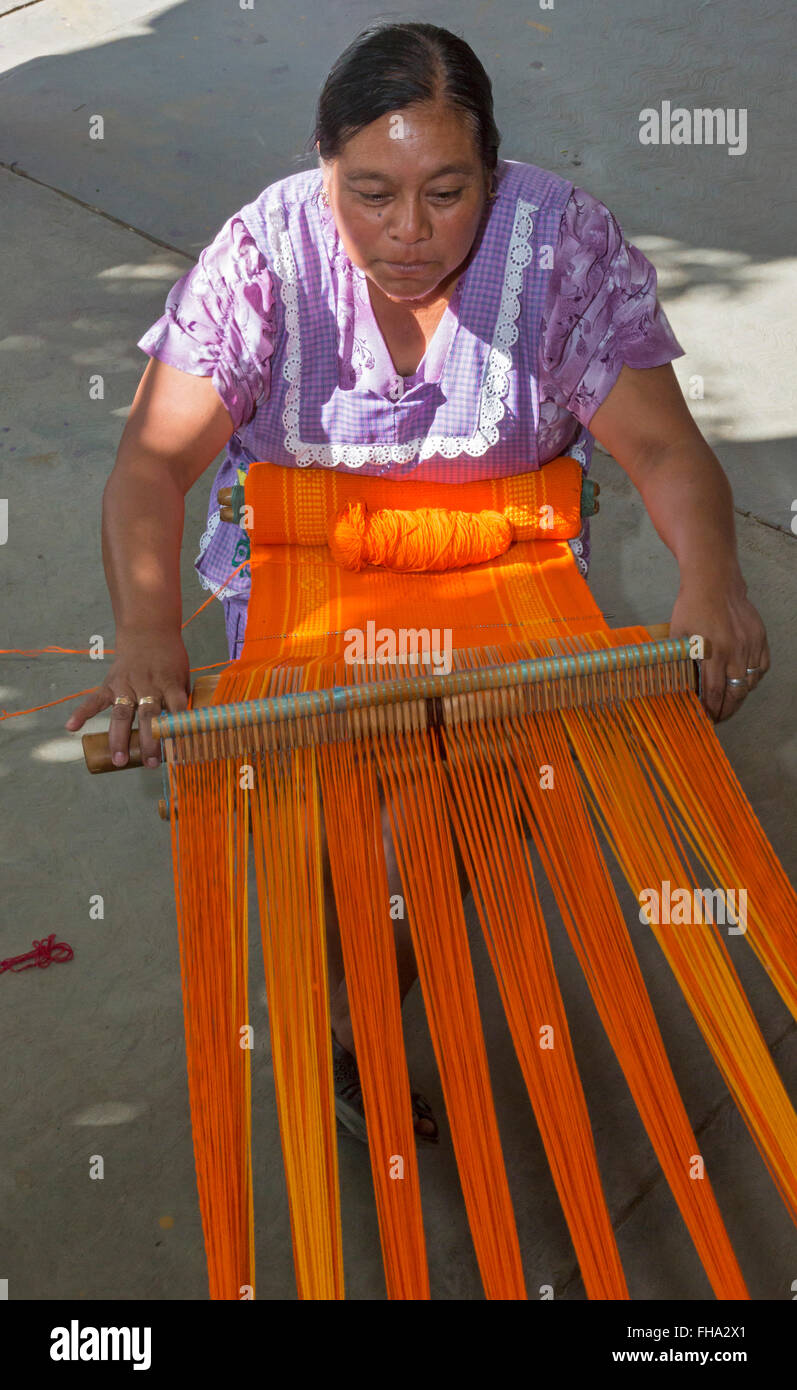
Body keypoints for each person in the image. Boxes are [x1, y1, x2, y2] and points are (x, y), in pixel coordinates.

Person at [65, 21, 769, 1144]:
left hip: (501, 581)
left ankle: (350, 1009)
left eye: (446, 192)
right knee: (351, 850)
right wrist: (148, 631)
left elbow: (664, 450)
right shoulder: (267, 257)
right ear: (321, 164)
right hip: (309, 585)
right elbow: (152, 460)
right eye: (371, 192)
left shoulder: (555, 247)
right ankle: (345, 1004)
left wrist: (713, 578)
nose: (407, 233)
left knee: (447, 830)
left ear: (492, 171)